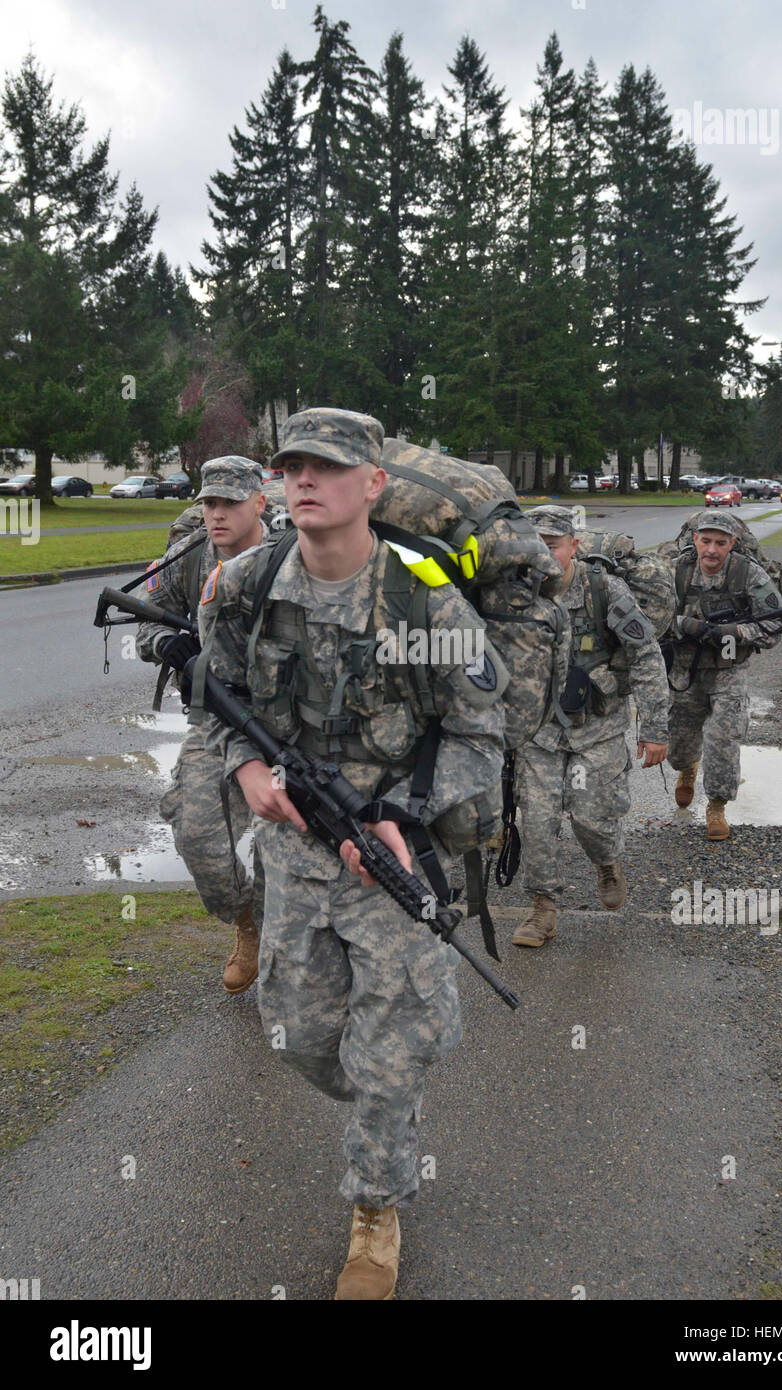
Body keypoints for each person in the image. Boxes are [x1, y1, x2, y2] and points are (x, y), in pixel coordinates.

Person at [197, 407, 506, 1300]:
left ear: (372, 484)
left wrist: (406, 814)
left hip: (390, 860)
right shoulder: (245, 585)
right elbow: (214, 695)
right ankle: (385, 1089)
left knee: (389, 1047)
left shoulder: (423, 594)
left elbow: (481, 733)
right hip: (292, 858)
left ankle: (377, 1207)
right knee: (298, 1037)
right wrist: (246, 762)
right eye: (292, 466)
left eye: (326, 469)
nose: (304, 482)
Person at [136, 456, 268, 992]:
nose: (217, 514)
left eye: (230, 503)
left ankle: (302, 940)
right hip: (213, 716)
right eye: (210, 503)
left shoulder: (292, 551)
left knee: (298, 838)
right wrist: (166, 643)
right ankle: (248, 923)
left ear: (259, 502)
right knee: (197, 835)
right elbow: (144, 619)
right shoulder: (187, 558)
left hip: (288, 721)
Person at [513, 505, 669, 948]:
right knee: (538, 822)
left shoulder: (605, 590)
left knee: (590, 818)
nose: (541, 557)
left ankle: (607, 863)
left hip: (597, 727)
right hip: (539, 732)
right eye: (532, 547)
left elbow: (646, 657)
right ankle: (542, 910)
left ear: (574, 547)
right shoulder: (515, 593)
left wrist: (655, 728)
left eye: (551, 547)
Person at [666, 512, 782, 839]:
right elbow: (648, 615)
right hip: (684, 671)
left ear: (732, 543)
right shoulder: (676, 571)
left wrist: (736, 631)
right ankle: (687, 770)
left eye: (720, 542)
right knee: (680, 744)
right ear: (695, 540)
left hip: (728, 671)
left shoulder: (748, 574)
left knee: (724, 738)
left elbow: (775, 625)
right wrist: (685, 625)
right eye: (706, 541)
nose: (712, 550)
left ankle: (716, 805)